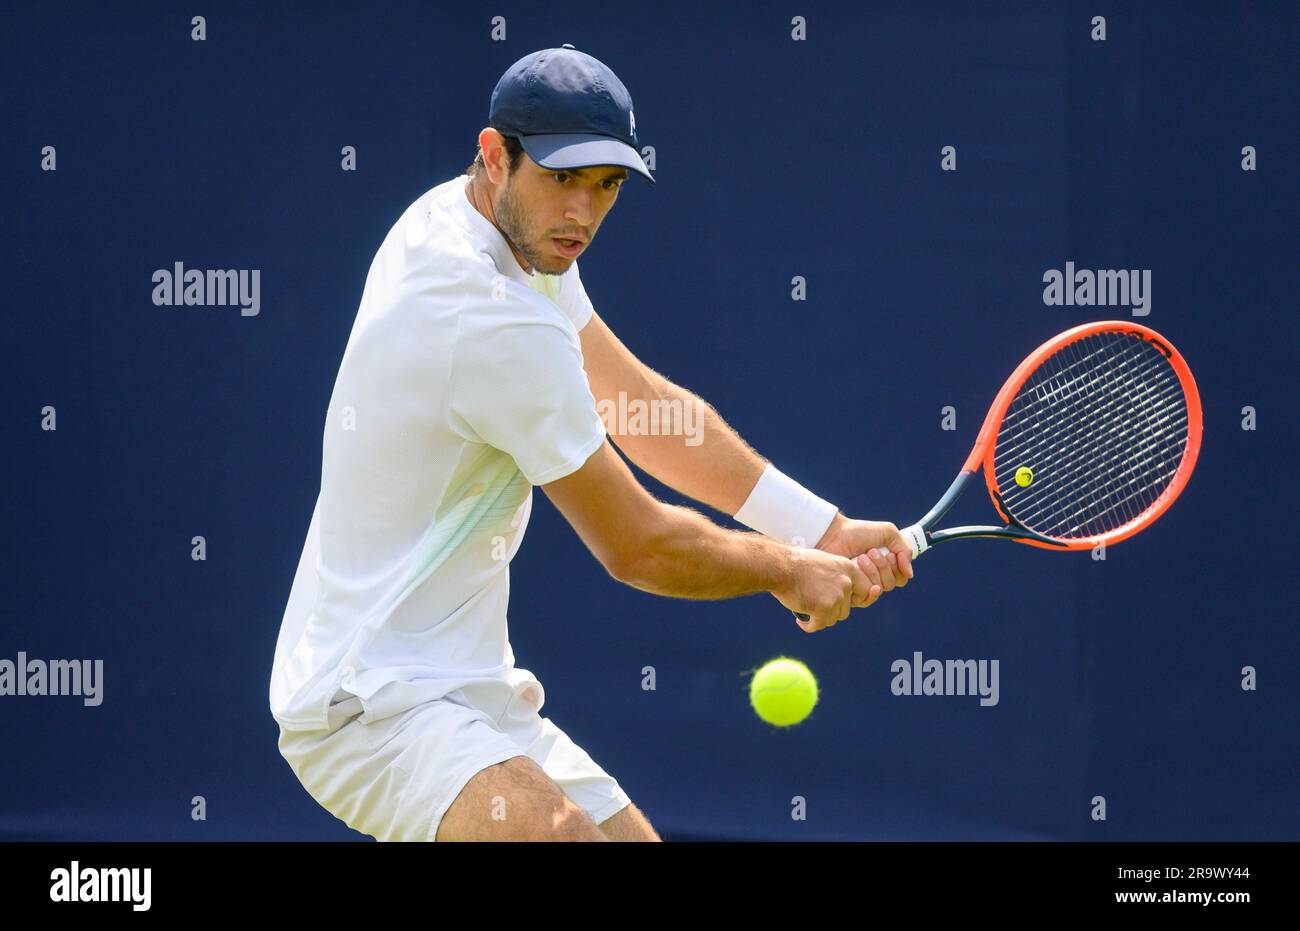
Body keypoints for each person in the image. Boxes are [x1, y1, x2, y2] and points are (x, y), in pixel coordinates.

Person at [269, 45, 914, 843]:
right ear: (495, 154)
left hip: (467, 684)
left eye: (606, 185)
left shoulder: (489, 225)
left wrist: (817, 529)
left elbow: (637, 405)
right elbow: (636, 545)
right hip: (369, 702)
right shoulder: (487, 317)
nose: (583, 211)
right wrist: (788, 571)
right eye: (563, 178)